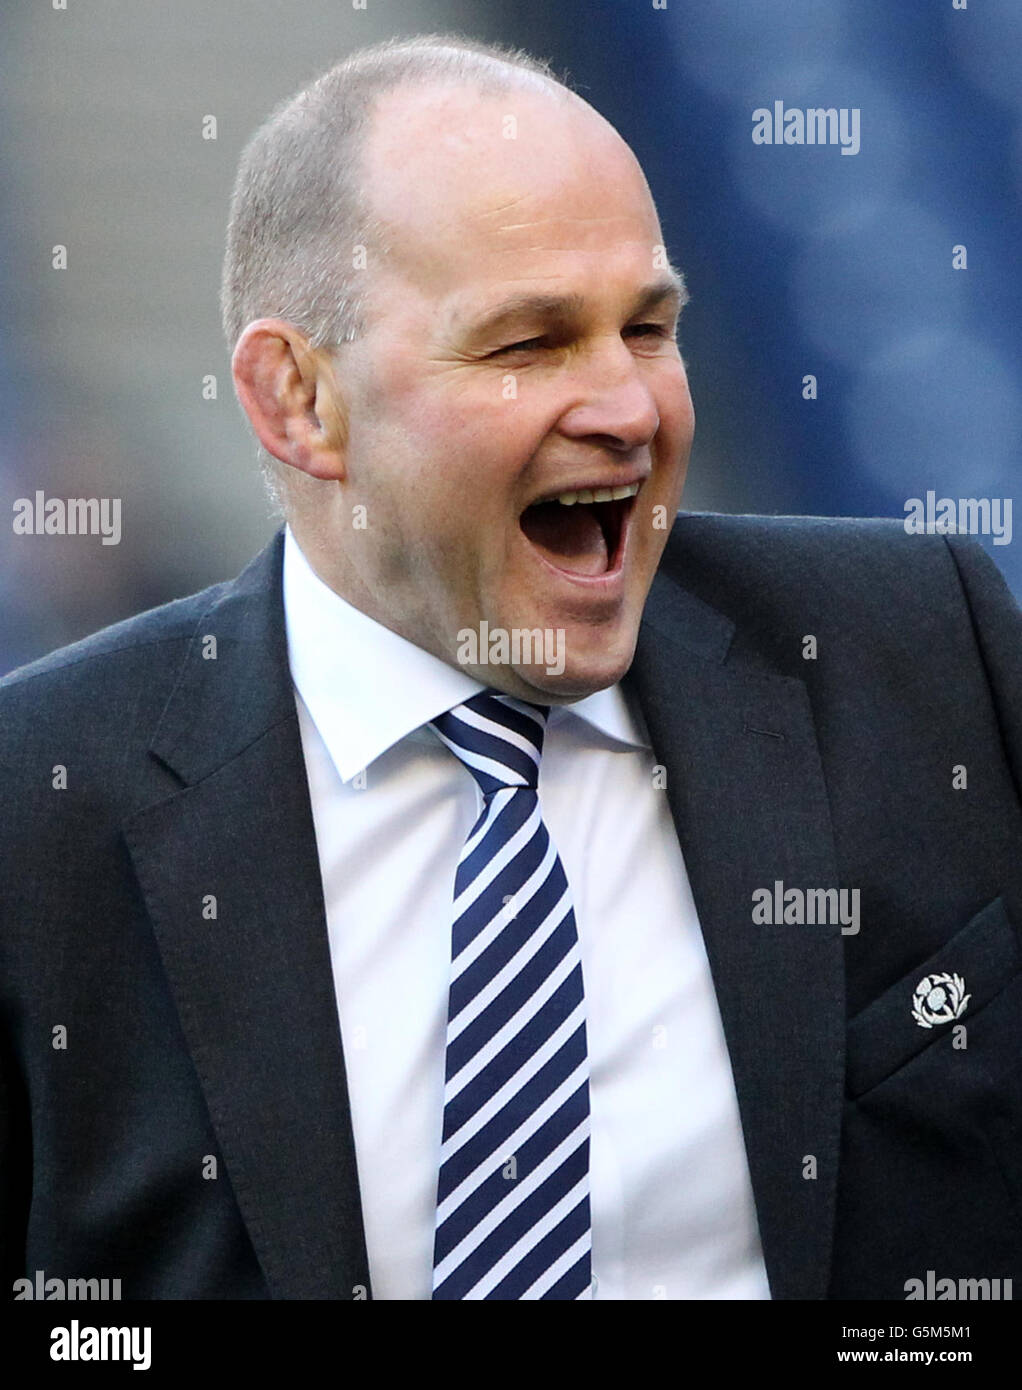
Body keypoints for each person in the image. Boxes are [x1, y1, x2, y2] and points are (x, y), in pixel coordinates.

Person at [2, 33, 1020, 1303]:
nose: (627, 408)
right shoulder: (37, 801)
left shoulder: (922, 649)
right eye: (527, 343)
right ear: (297, 401)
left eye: (647, 328)